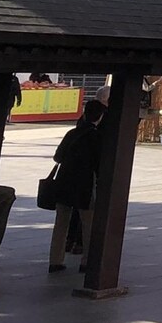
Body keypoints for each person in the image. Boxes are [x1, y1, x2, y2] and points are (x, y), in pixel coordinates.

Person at [48, 99, 106, 272]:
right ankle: (86, 262)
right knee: (88, 224)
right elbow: (100, 164)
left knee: (61, 224)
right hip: (85, 185)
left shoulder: (72, 133)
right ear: (100, 117)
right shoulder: (97, 137)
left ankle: (55, 261)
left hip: (64, 183)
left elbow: (57, 157)